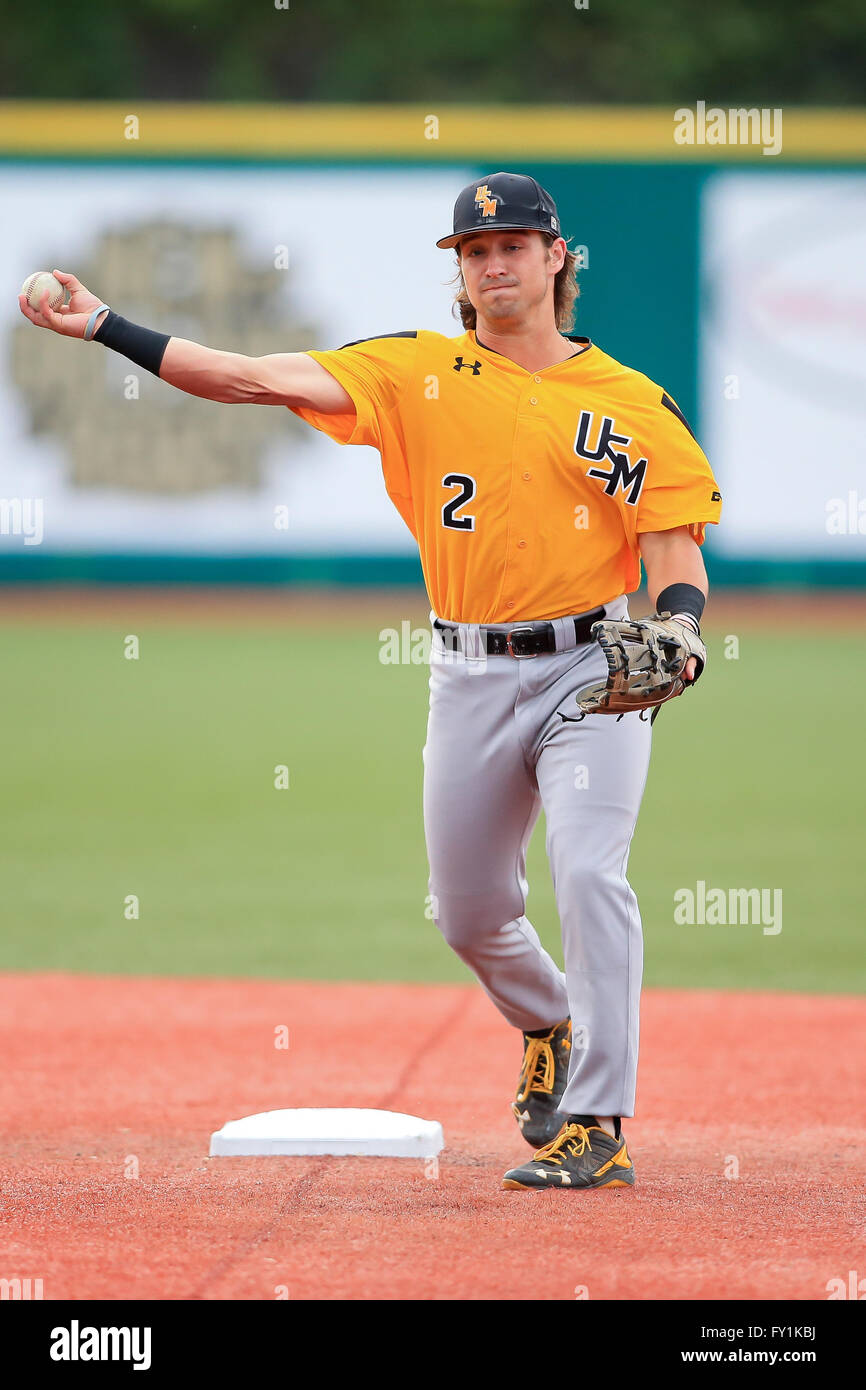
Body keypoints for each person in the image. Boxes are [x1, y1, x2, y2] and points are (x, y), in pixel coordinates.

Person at [19, 170, 721, 1192]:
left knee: (587, 872)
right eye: (474, 252)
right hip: (467, 671)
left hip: (591, 669)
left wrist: (683, 628)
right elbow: (247, 377)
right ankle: (545, 1019)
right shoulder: (409, 373)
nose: (493, 265)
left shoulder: (630, 404)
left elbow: (674, 551)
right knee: (468, 912)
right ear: (459, 272)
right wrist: (105, 327)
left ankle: (598, 1119)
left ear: (556, 258)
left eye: (512, 246)